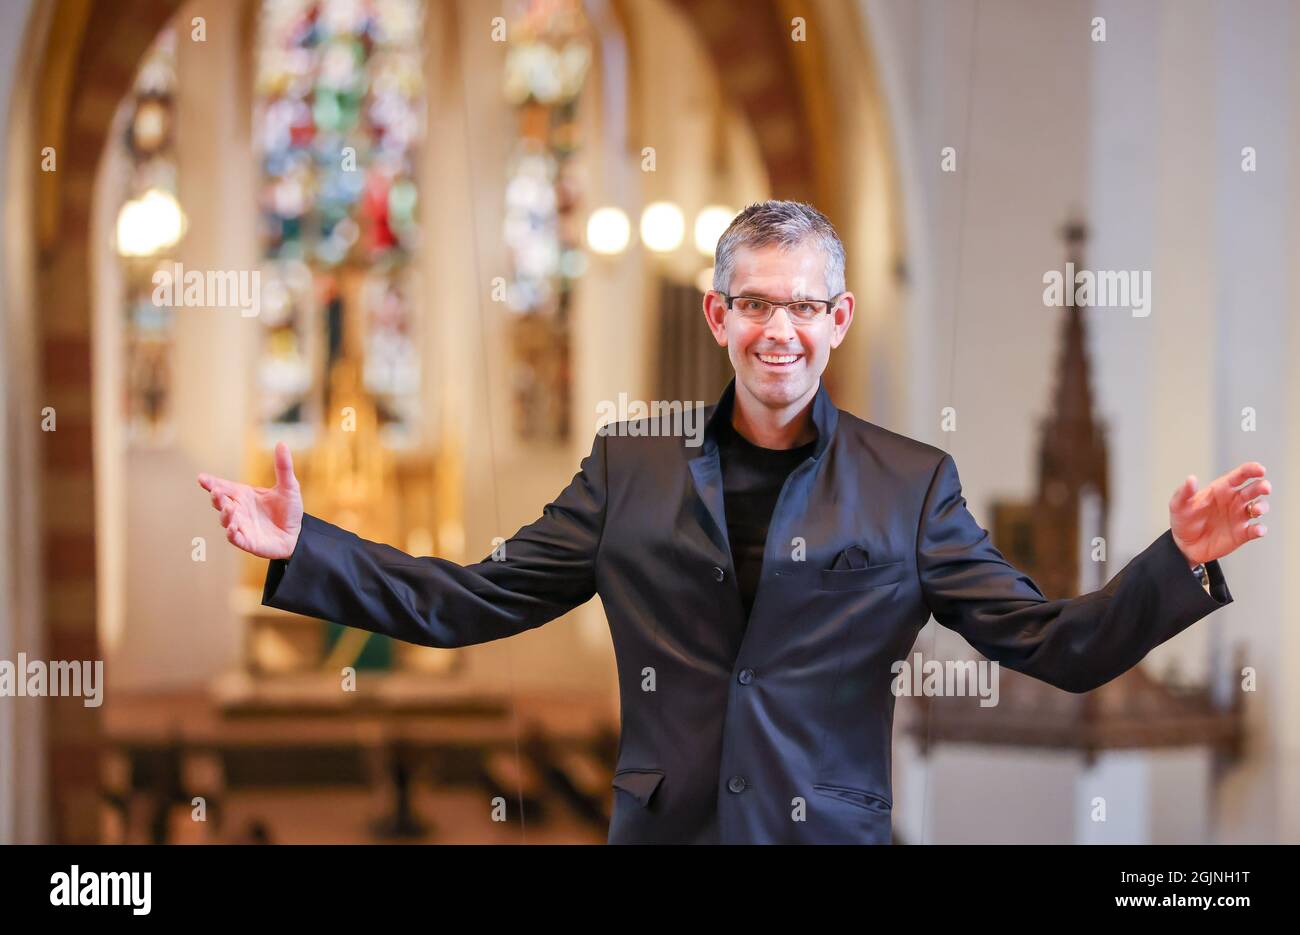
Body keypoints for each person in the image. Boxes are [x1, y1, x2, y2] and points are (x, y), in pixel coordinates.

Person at [198, 200, 1270, 844]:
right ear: (719, 316)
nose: (779, 331)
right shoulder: (629, 468)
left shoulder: (911, 483)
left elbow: (1057, 645)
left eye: (804, 306)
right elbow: (476, 598)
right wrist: (309, 547)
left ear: (837, 321)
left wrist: (1175, 561)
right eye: (755, 303)